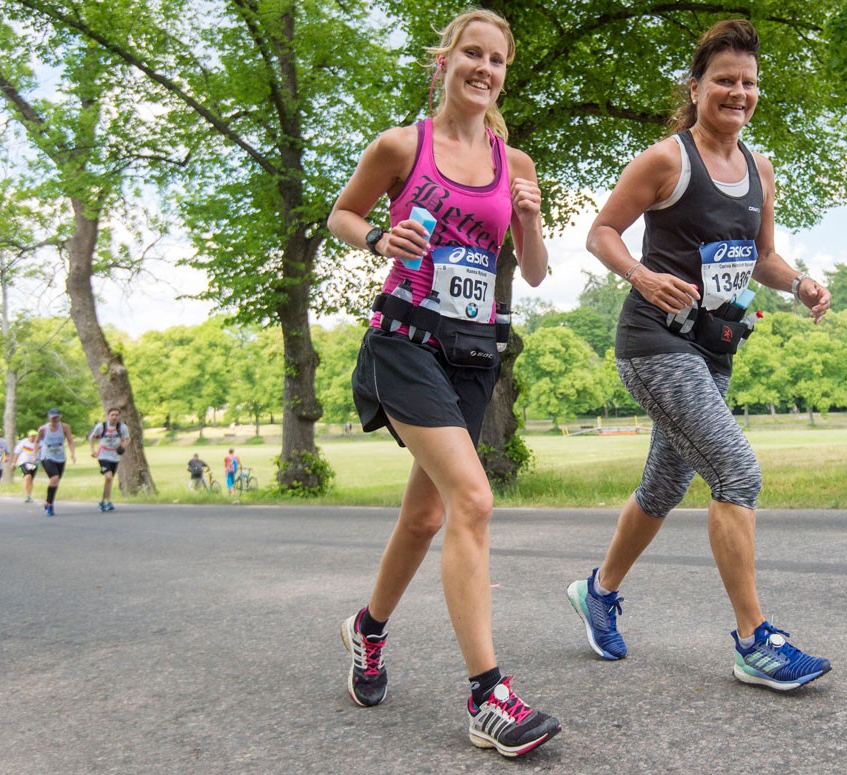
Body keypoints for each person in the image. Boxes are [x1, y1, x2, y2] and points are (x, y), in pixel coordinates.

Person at [565, 19, 833, 692]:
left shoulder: (760, 169)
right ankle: (753, 641)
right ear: (695, 87)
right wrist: (641, 275)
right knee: (736, 470)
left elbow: (762, 257)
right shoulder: (667, 160)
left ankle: (597, 592)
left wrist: (799, 283)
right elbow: (602, 231)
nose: (738, 92)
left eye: (749, 82)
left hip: (712, 350)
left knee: (664, 485)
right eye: (724, 80)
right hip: (654, 344)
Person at [326, 8, 559, 758]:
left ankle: (367, 629)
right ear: (446, 60)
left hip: (472, 352)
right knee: (473, 499)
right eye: (472, 54)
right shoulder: (403, 145)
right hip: (404, 341)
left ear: (503, 75)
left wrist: (530, 220)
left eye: (497, 60)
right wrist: (377, 237)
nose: (484, 68)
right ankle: (488, 695)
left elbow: (534, 271)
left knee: (427, 516)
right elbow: (342, 214)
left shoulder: (515, 164)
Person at [36, 408, 76, 517]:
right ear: (49, 417)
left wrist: (73, 453)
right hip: (47, 456)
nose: (55, 420)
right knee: (54, 478)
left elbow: (70, 440)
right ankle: (50, 505)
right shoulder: (43, 429)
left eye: (57, 417)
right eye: (53, 418)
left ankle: (48, 501)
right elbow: (37, 442)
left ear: (60, 417)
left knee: (56, 481)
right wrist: (35, 455)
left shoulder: (65, 427)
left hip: (60, 456)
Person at [89, 407, 130, 512]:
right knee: (108, 477)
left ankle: (104, 501)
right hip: (103, 455)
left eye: (117, 415)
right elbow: (92, 437)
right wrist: (92, 450)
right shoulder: (101, 426)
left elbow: (127, 439)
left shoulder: (122, 427)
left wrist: (122, 446)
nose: (114, 417)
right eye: (112, 415)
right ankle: (107, 501)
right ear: (108, 416)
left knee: (110, 479)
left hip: (115, 456)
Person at [14, 430, 40, 502]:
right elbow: (17, 452)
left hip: (34, 463)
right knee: (27, 476)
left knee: (31, 479)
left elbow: (42, 453)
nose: (33, 438)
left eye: (35, 436)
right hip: (24, 462)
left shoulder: (39, 443)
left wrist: (37, 458)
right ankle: (26, 495)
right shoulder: (24, 442)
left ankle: (29, 495)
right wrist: (14, 463)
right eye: (32, 436)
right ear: (28, 436)